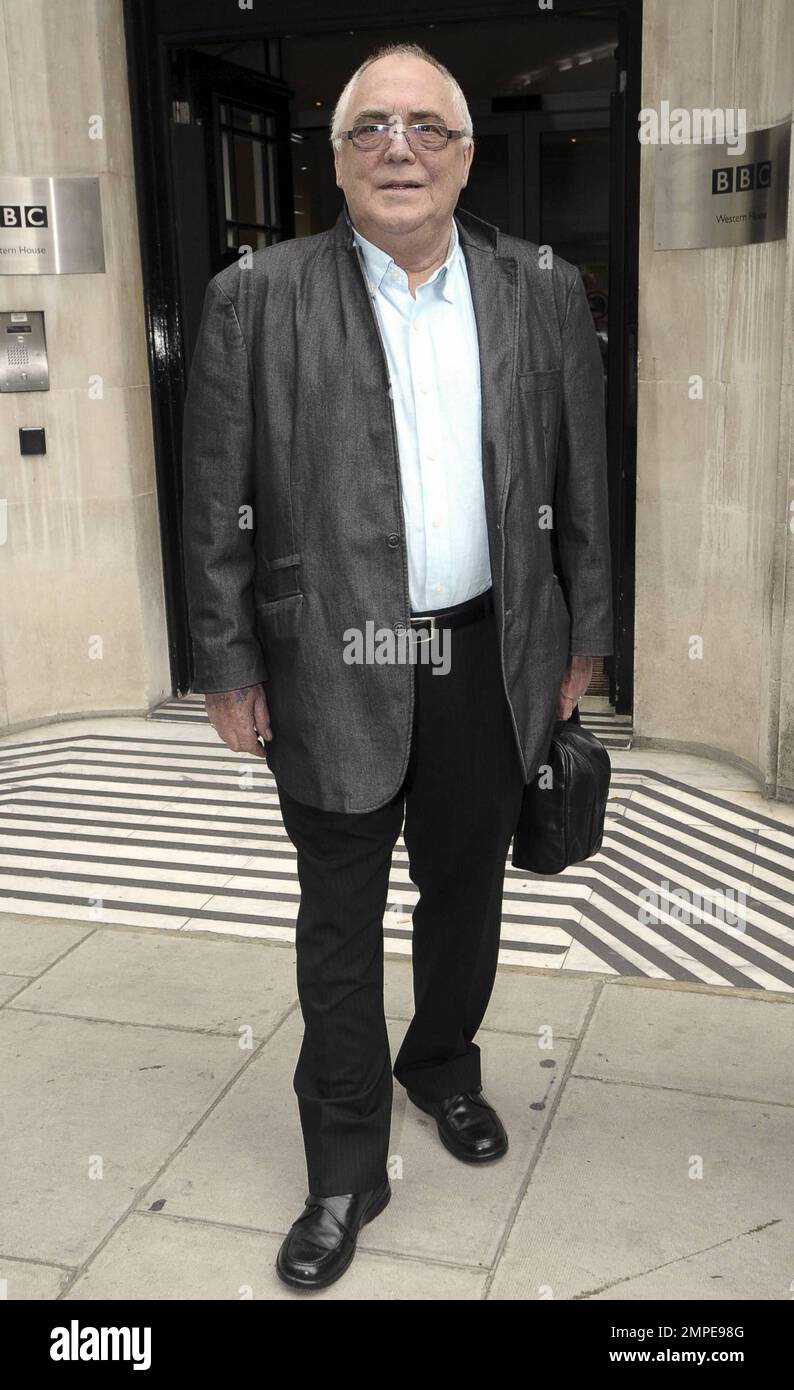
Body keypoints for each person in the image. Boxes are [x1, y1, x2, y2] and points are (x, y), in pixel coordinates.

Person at [181, 41, 613, 1292]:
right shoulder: (256, 296)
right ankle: (342, 1168)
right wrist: (224, 658)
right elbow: (217, 499)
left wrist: (581, 637)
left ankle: (442, 1067)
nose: (398, 149)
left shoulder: (535, 287)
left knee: (465, 898)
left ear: (465, 155)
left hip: (486, 654)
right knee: (335, 930)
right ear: (335, 158)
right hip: (326, 662)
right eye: (371, 127)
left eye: (425, 128)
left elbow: (583, 476)